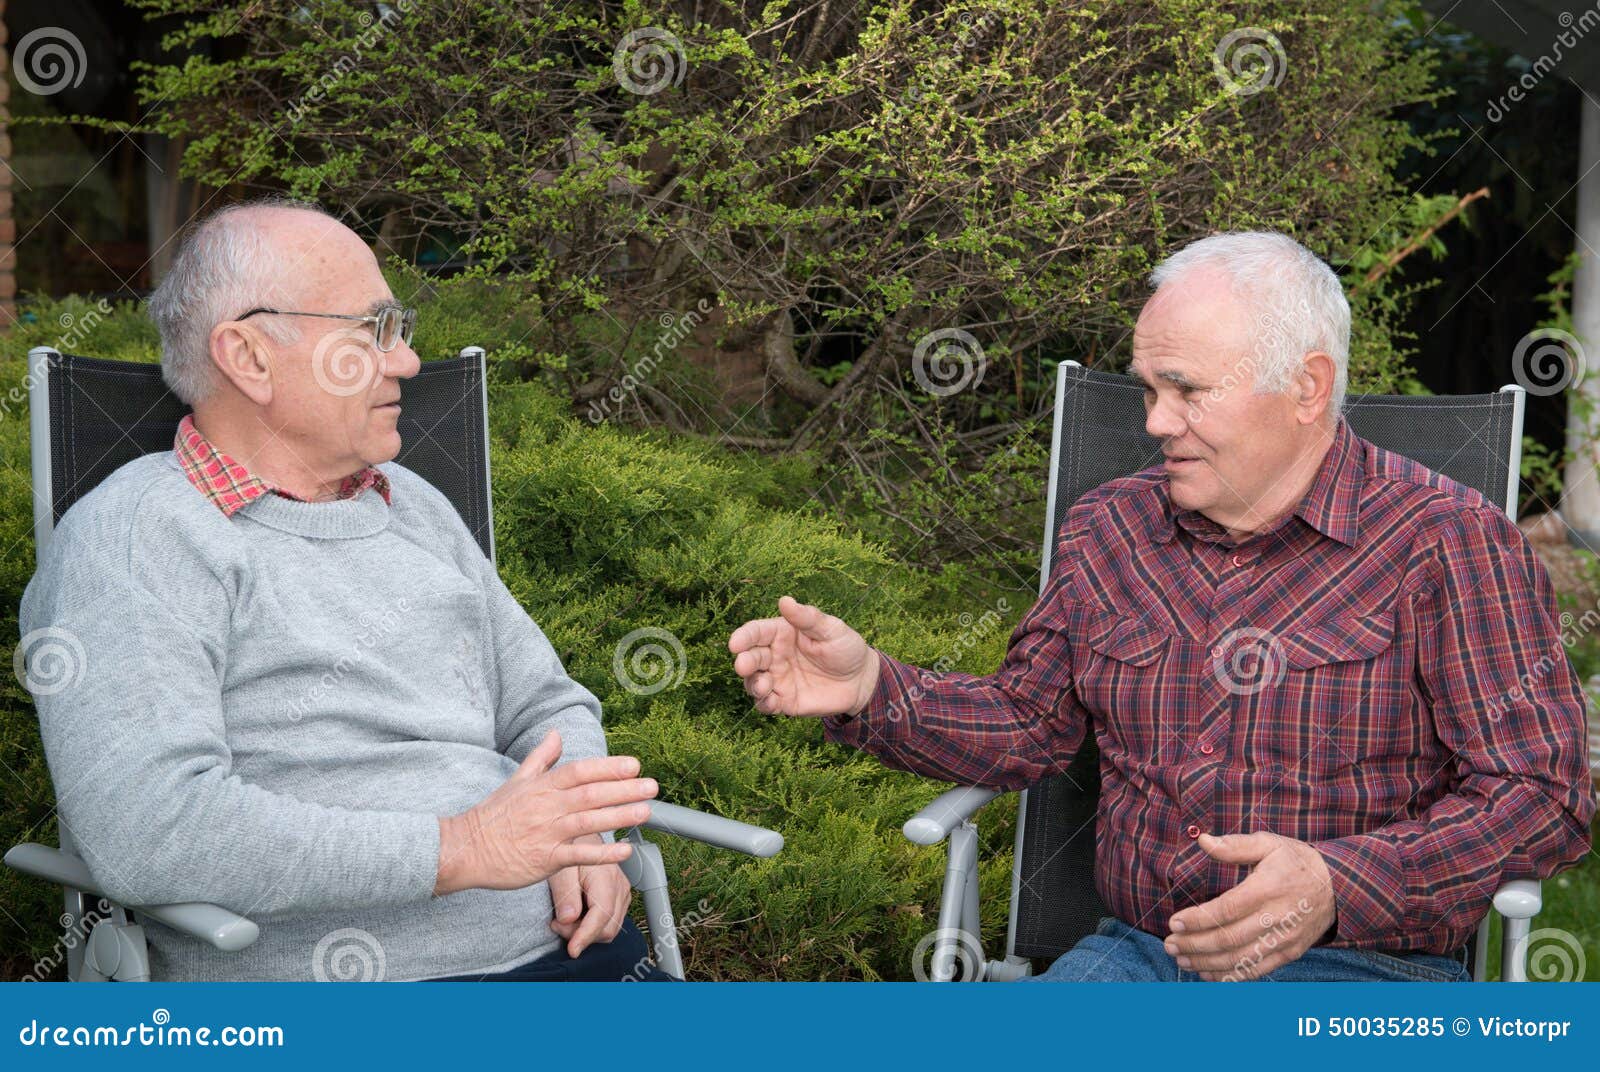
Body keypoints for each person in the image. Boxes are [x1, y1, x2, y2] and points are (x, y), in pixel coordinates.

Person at [729, 231, 1596, 982]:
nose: (1154, 422)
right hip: (1137, 959)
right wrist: (872, 687)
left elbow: (1542, 792)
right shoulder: (1110, 528)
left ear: (1306, 388)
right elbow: (1030, 723)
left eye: (1187, 390)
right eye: (1147, 388)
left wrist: (1341, 882)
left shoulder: (1448, 542)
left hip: (1357, 969)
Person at [20, 199, 664, 981]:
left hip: (577, 956)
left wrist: (583, 833)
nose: (408, 363)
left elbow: (547, 706)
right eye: (373, 331)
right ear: (249, 357)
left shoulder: (413, 505)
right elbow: (154, 829)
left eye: (401, 329)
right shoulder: (138, 538)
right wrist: (460, 849)